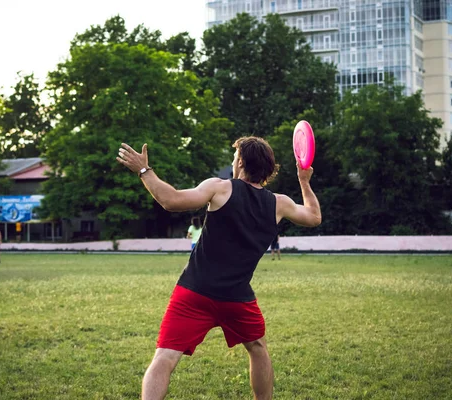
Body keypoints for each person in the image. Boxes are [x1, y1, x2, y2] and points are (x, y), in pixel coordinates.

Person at [116, 136, 321, 400]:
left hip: (194, 293)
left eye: (235, 158)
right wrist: (304, 181)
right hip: (237, 298)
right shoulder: (279, 204)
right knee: (258, 348)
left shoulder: (220, 188)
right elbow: (314, 217)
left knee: (165, 356)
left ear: (241, 163)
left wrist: (144, 170)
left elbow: (171, 200)